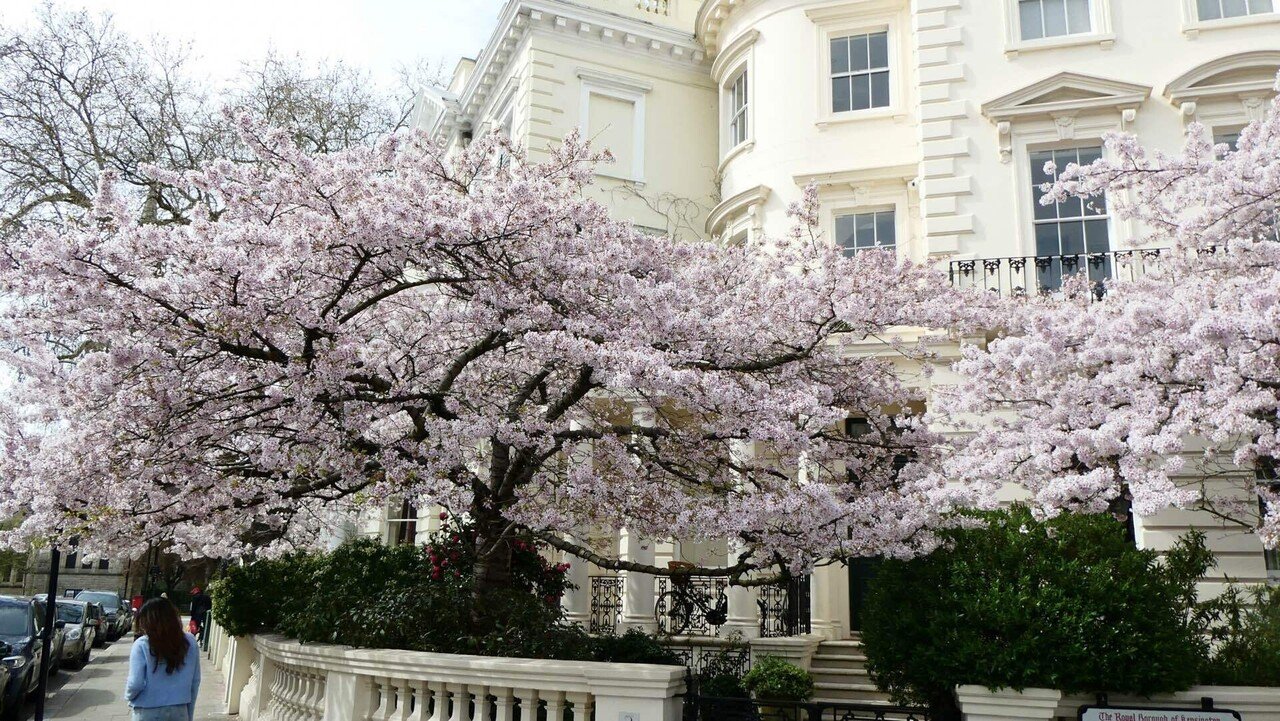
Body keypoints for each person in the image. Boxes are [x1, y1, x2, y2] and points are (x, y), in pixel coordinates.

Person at [126, 598, 201, 721]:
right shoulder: (189, 642)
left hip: (147, 709)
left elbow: (135, 683)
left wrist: (130, 697)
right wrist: (189, 712)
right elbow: (195, 681)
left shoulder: (142, 644)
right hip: (179, 709)